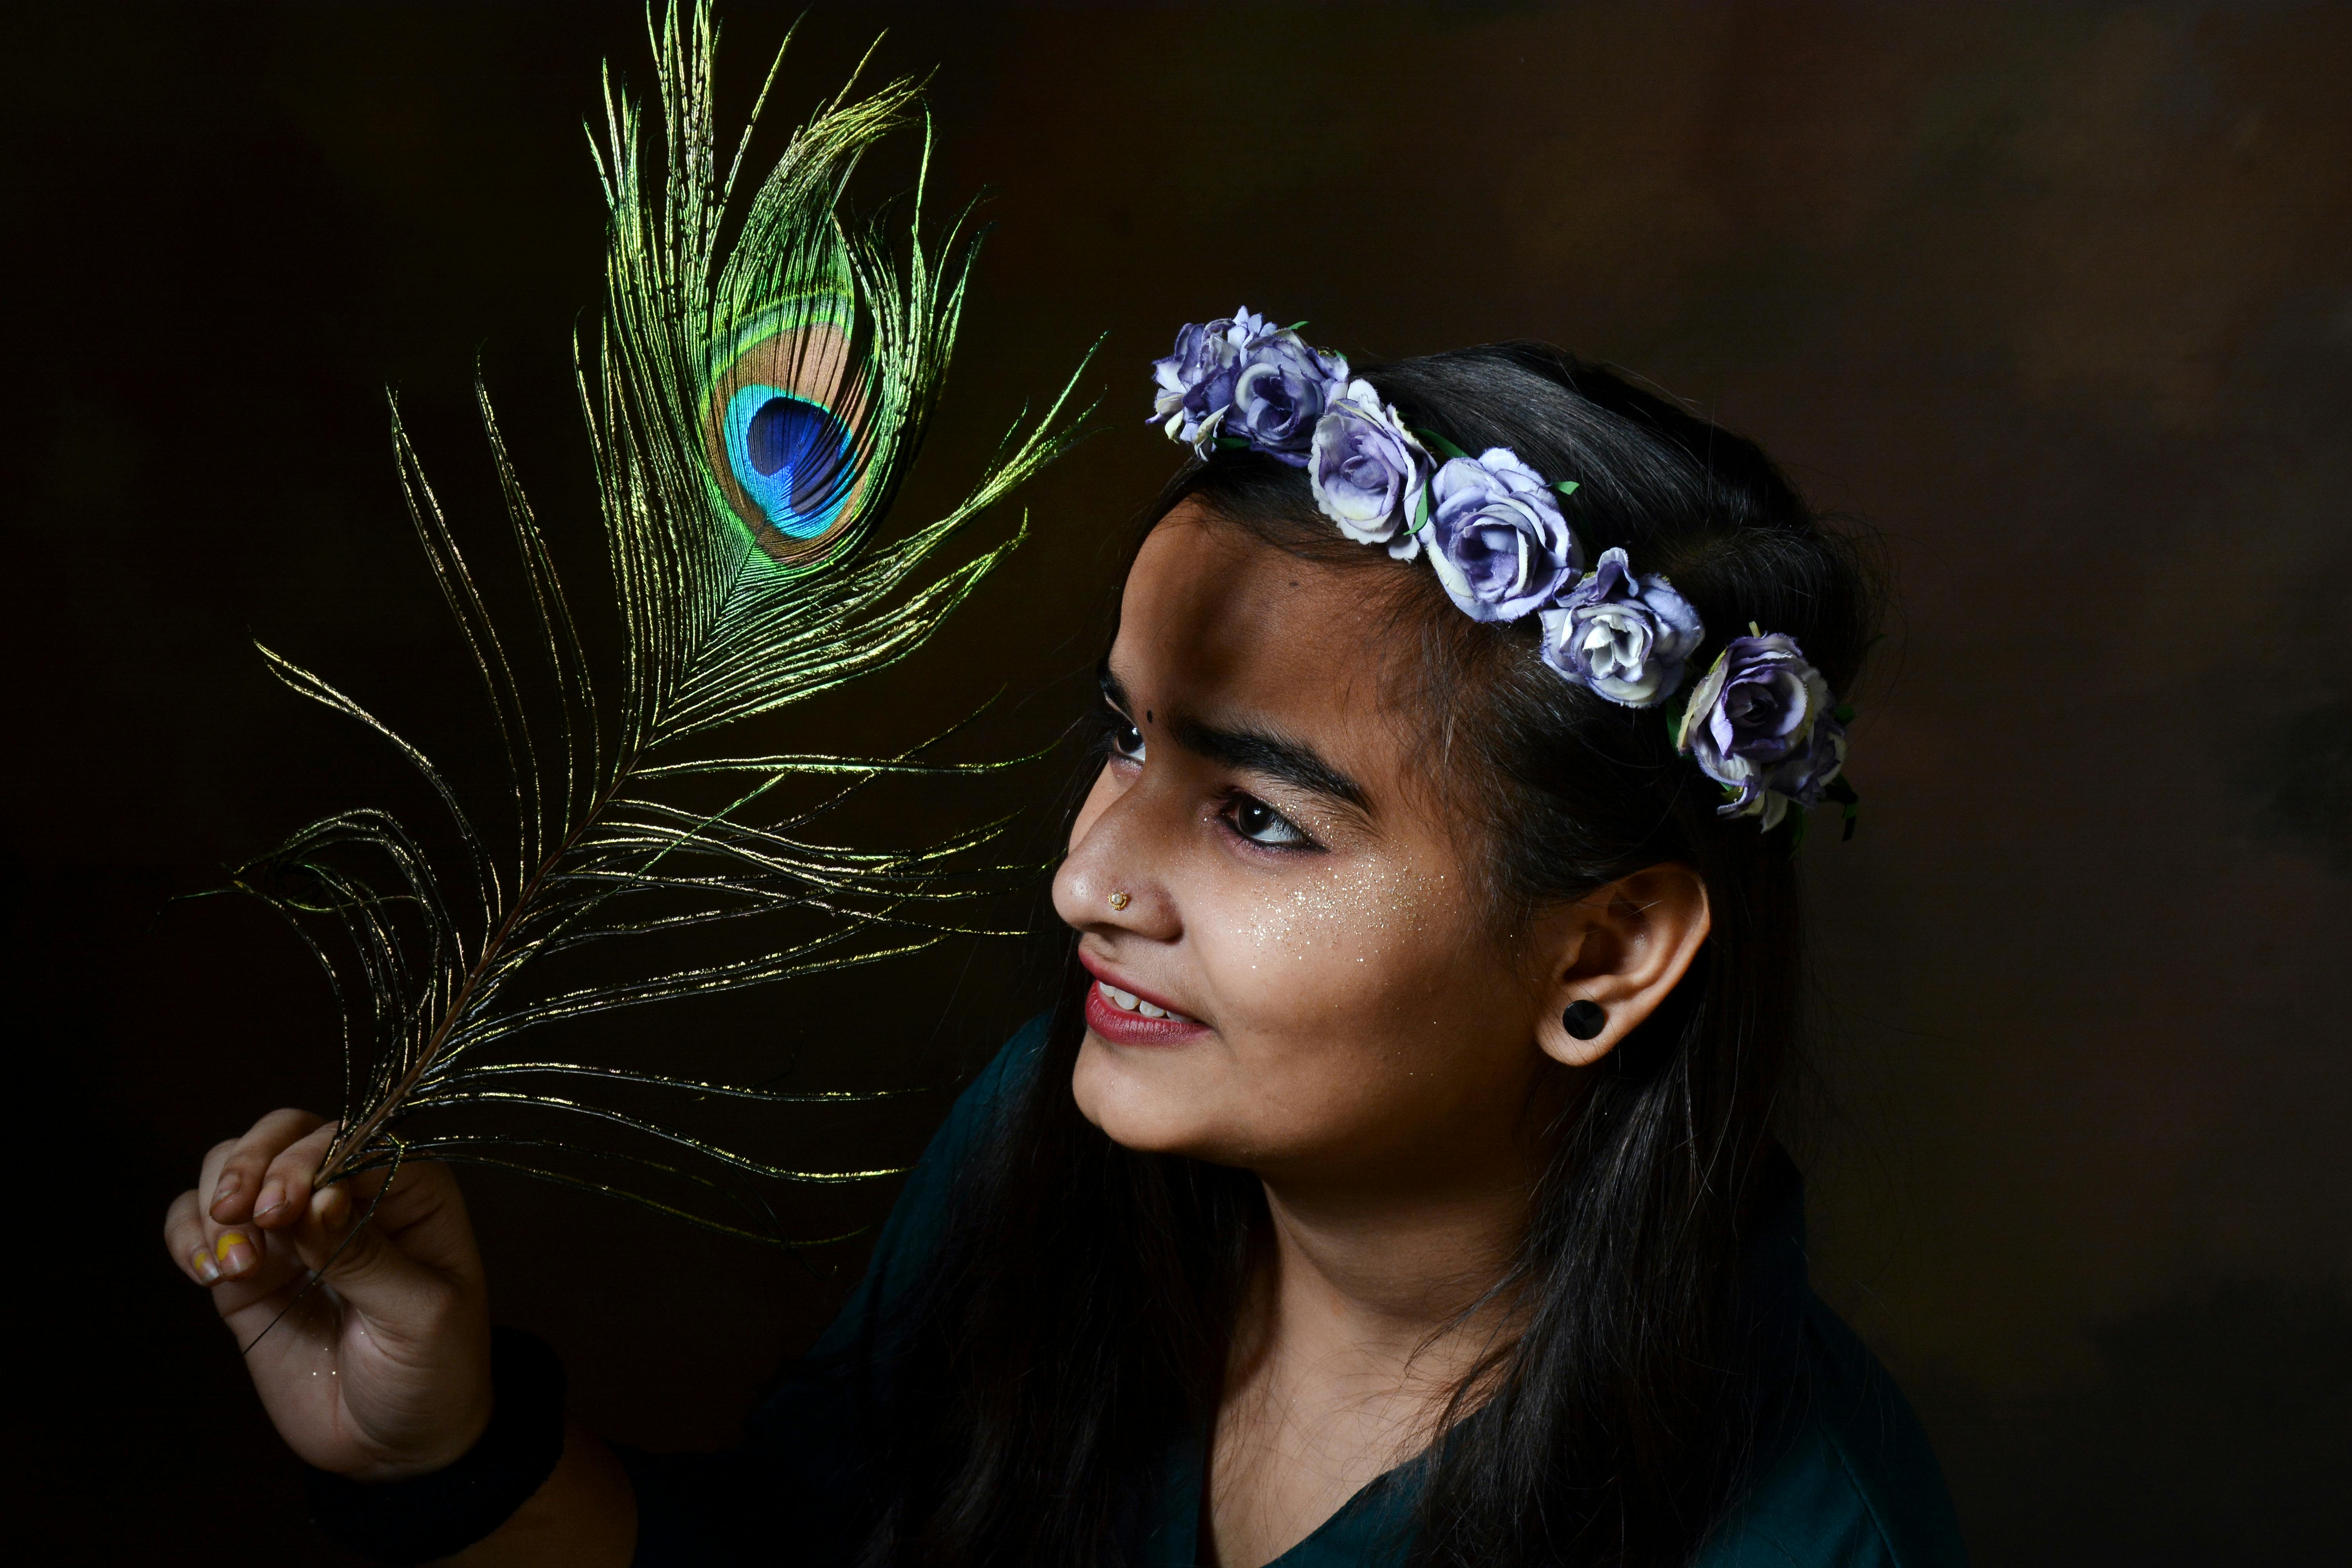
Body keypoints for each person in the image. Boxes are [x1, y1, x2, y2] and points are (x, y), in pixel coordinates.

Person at [165, 324, 1966, 1567]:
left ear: (1608, 954)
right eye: (1122, 738)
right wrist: (446, 1455)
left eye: (1260, 817)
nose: (1089, 876)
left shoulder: (1795, 1532)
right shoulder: (1049, 1149)